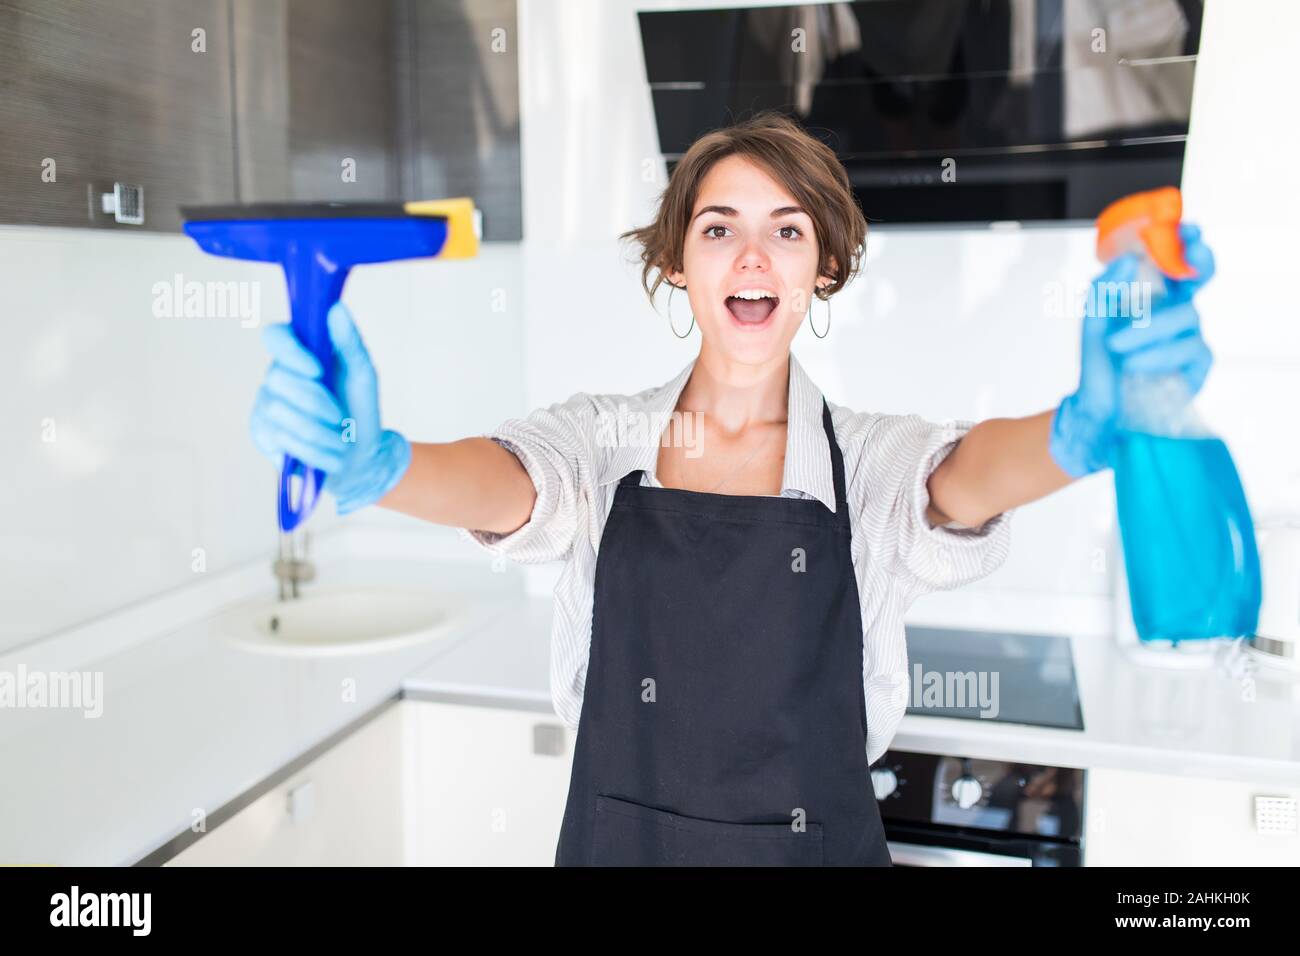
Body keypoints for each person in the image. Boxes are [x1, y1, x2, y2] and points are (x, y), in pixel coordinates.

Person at [249, 111, 1215, 866]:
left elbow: (959, 480)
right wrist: (379, 461)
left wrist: (1078, 430)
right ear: (677, 262)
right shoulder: (603, 442)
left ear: (821, 268)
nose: (753, 257)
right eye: (720, 228)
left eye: (785, 231)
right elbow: (508, 485)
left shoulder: (869, 461)